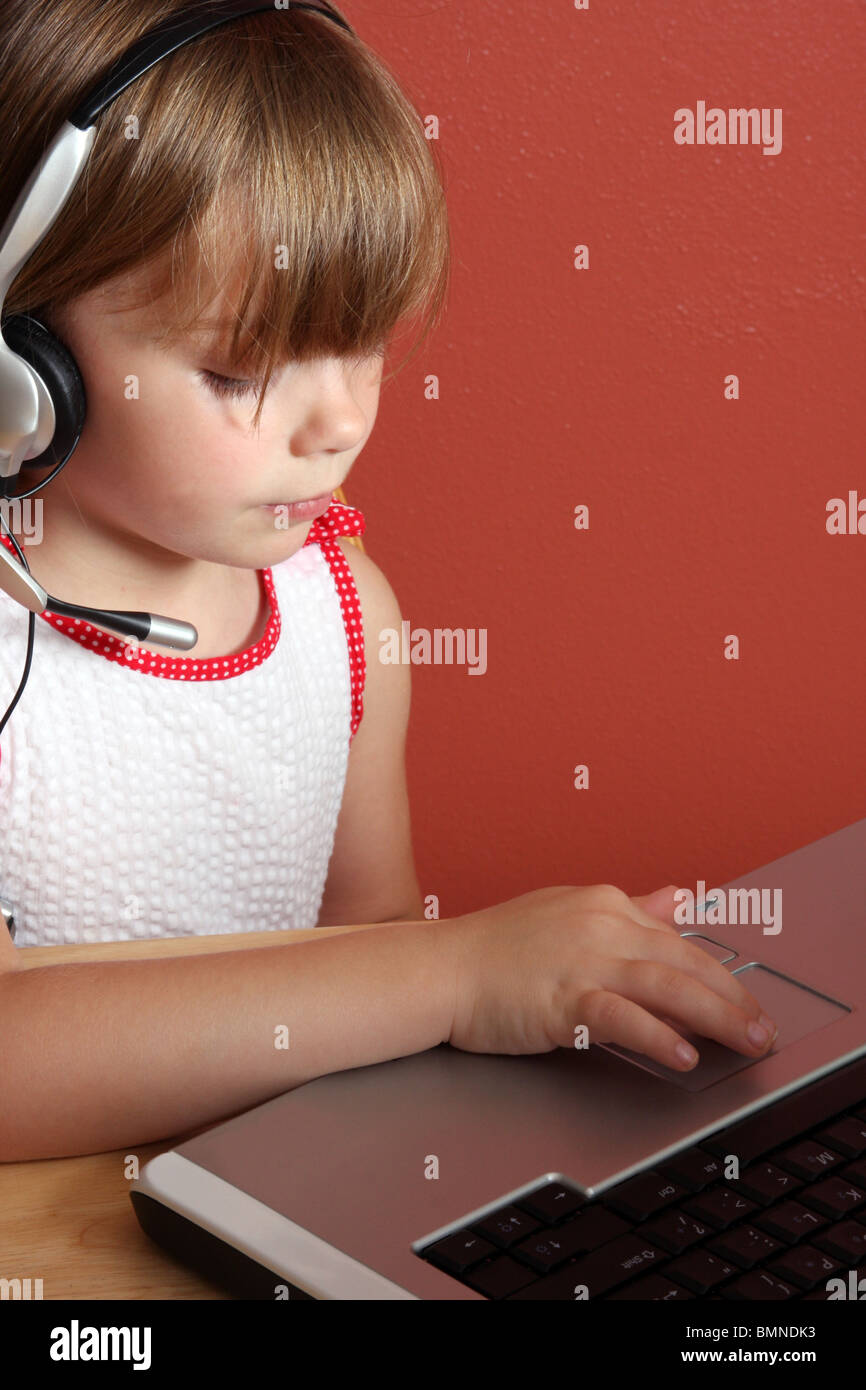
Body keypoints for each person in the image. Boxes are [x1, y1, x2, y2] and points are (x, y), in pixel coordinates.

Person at [0, 0, 776, 1163]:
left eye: (361, 341)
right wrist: (454, 968)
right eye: (237, 368)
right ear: (24, 362)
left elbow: (362, 955)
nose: (341, 419)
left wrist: (512, 987)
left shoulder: (342, 612)